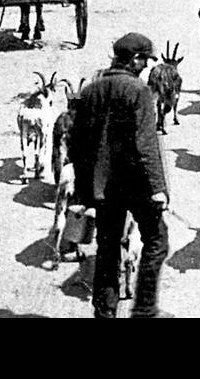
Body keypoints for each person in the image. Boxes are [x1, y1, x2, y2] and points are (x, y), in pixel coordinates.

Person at [68, 33, 170, 318]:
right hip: (136, 184)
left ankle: (105, 313)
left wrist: (83, 187)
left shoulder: (89, 91)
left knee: (108, 247)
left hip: (104, 188)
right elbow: (145, 144)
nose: (147, 65)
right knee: (157, 240)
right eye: (146, 60)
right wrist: (158, 187)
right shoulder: (139, 91)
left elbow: (76, 145)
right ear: (135, 60)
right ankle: (145, 310)